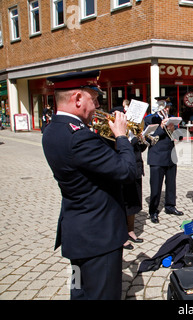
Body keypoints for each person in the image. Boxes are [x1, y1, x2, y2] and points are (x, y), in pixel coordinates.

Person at [42, 70, 137, 300]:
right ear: (77, 99)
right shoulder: (79, 137)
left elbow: (92, 165)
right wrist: (122, 137)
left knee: (79, 291)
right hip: (98, 239)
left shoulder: (52, 130)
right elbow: (127, 172)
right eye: (93, 100)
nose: (96, 106)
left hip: (77, 235)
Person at [111, 103, 147, 250]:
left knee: (133, 201)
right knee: (121, 203)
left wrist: (141, 139)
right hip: (120, 171)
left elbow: (141, 149)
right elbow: (118, 148)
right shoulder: (112, 131)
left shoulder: (132, 129)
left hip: (136, 168)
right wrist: (131, 141)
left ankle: (130, 231)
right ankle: (120, 236)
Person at [144, 96, 183, 224]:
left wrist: (174, 130)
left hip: (170, 156)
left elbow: (180, 137)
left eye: (168, 106)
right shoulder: (150, 119)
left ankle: (170, 206)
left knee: (171, 184)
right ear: (159, 106)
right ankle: (153, 211)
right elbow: (148, 139)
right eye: (164, 106)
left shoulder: (172, 119)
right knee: (156, 186)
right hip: (156, 157)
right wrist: (161, 128)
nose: (167, 109)